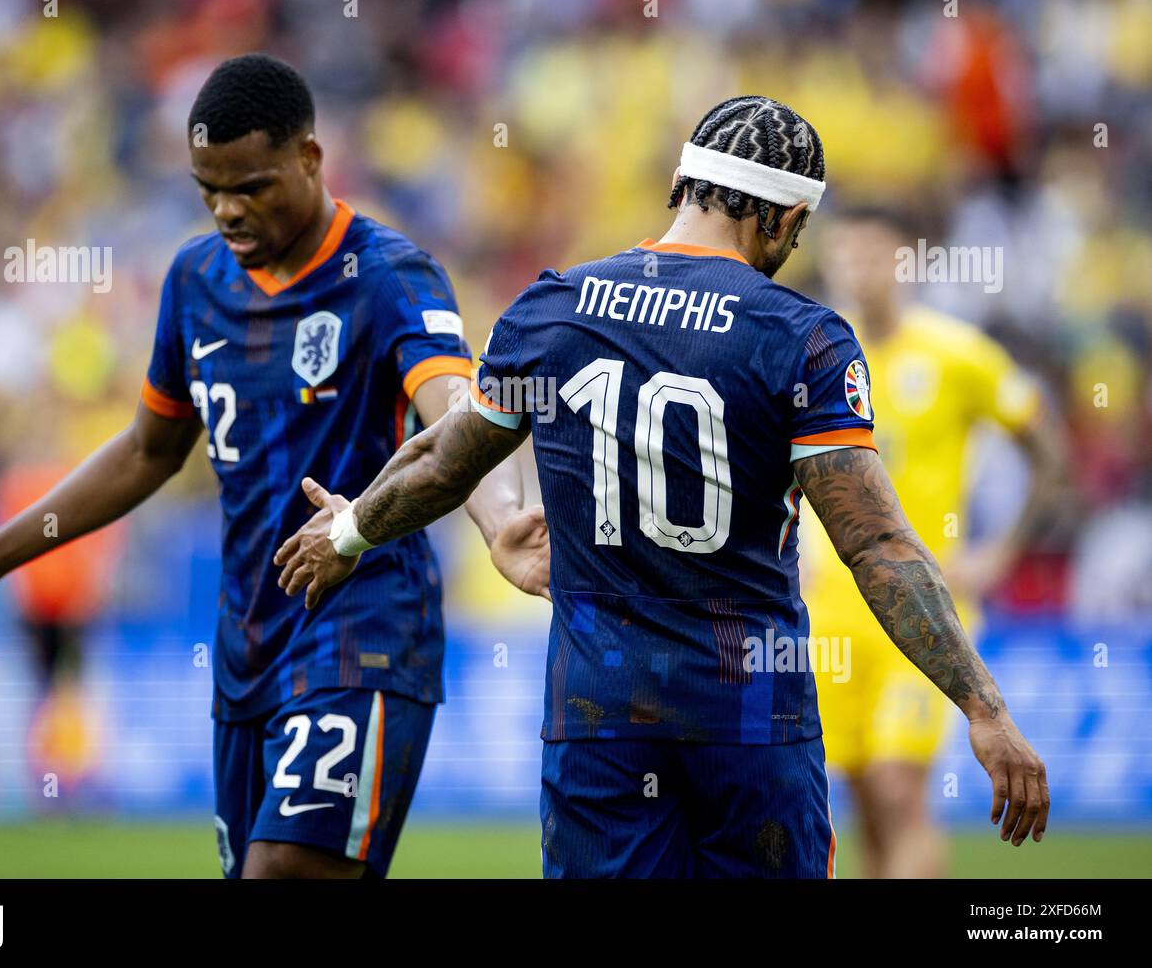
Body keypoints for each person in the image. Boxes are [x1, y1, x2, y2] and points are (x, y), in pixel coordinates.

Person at [273, 96, 1049, 878]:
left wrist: (349, 533)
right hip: (749, 720)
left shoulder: (554, 307)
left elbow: (444, 460)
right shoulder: (805, 338)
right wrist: (984, 707)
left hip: (597, 716)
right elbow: (875, 543)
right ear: (780, 219)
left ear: (681, 182)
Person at [0, 53, 547, 879]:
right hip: (247, 648)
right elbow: (146, 452)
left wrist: (500, 521)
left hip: (362, 625)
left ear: (310, 158)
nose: (229, 211)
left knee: (286, 871)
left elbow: (454, 410)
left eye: (253, 186)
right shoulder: (195, 280)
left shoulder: (387, 277)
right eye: (210, 190)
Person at [798, 205, 1063, 877]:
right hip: (832, 607)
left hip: (919, 602)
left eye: (875, 254)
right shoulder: (816, 356)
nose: (860, 269)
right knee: (858, 798)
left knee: (898, 787)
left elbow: (1049, 450)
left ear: (906, 262)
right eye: (847, 256)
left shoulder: (956, 354)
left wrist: (998, 553)